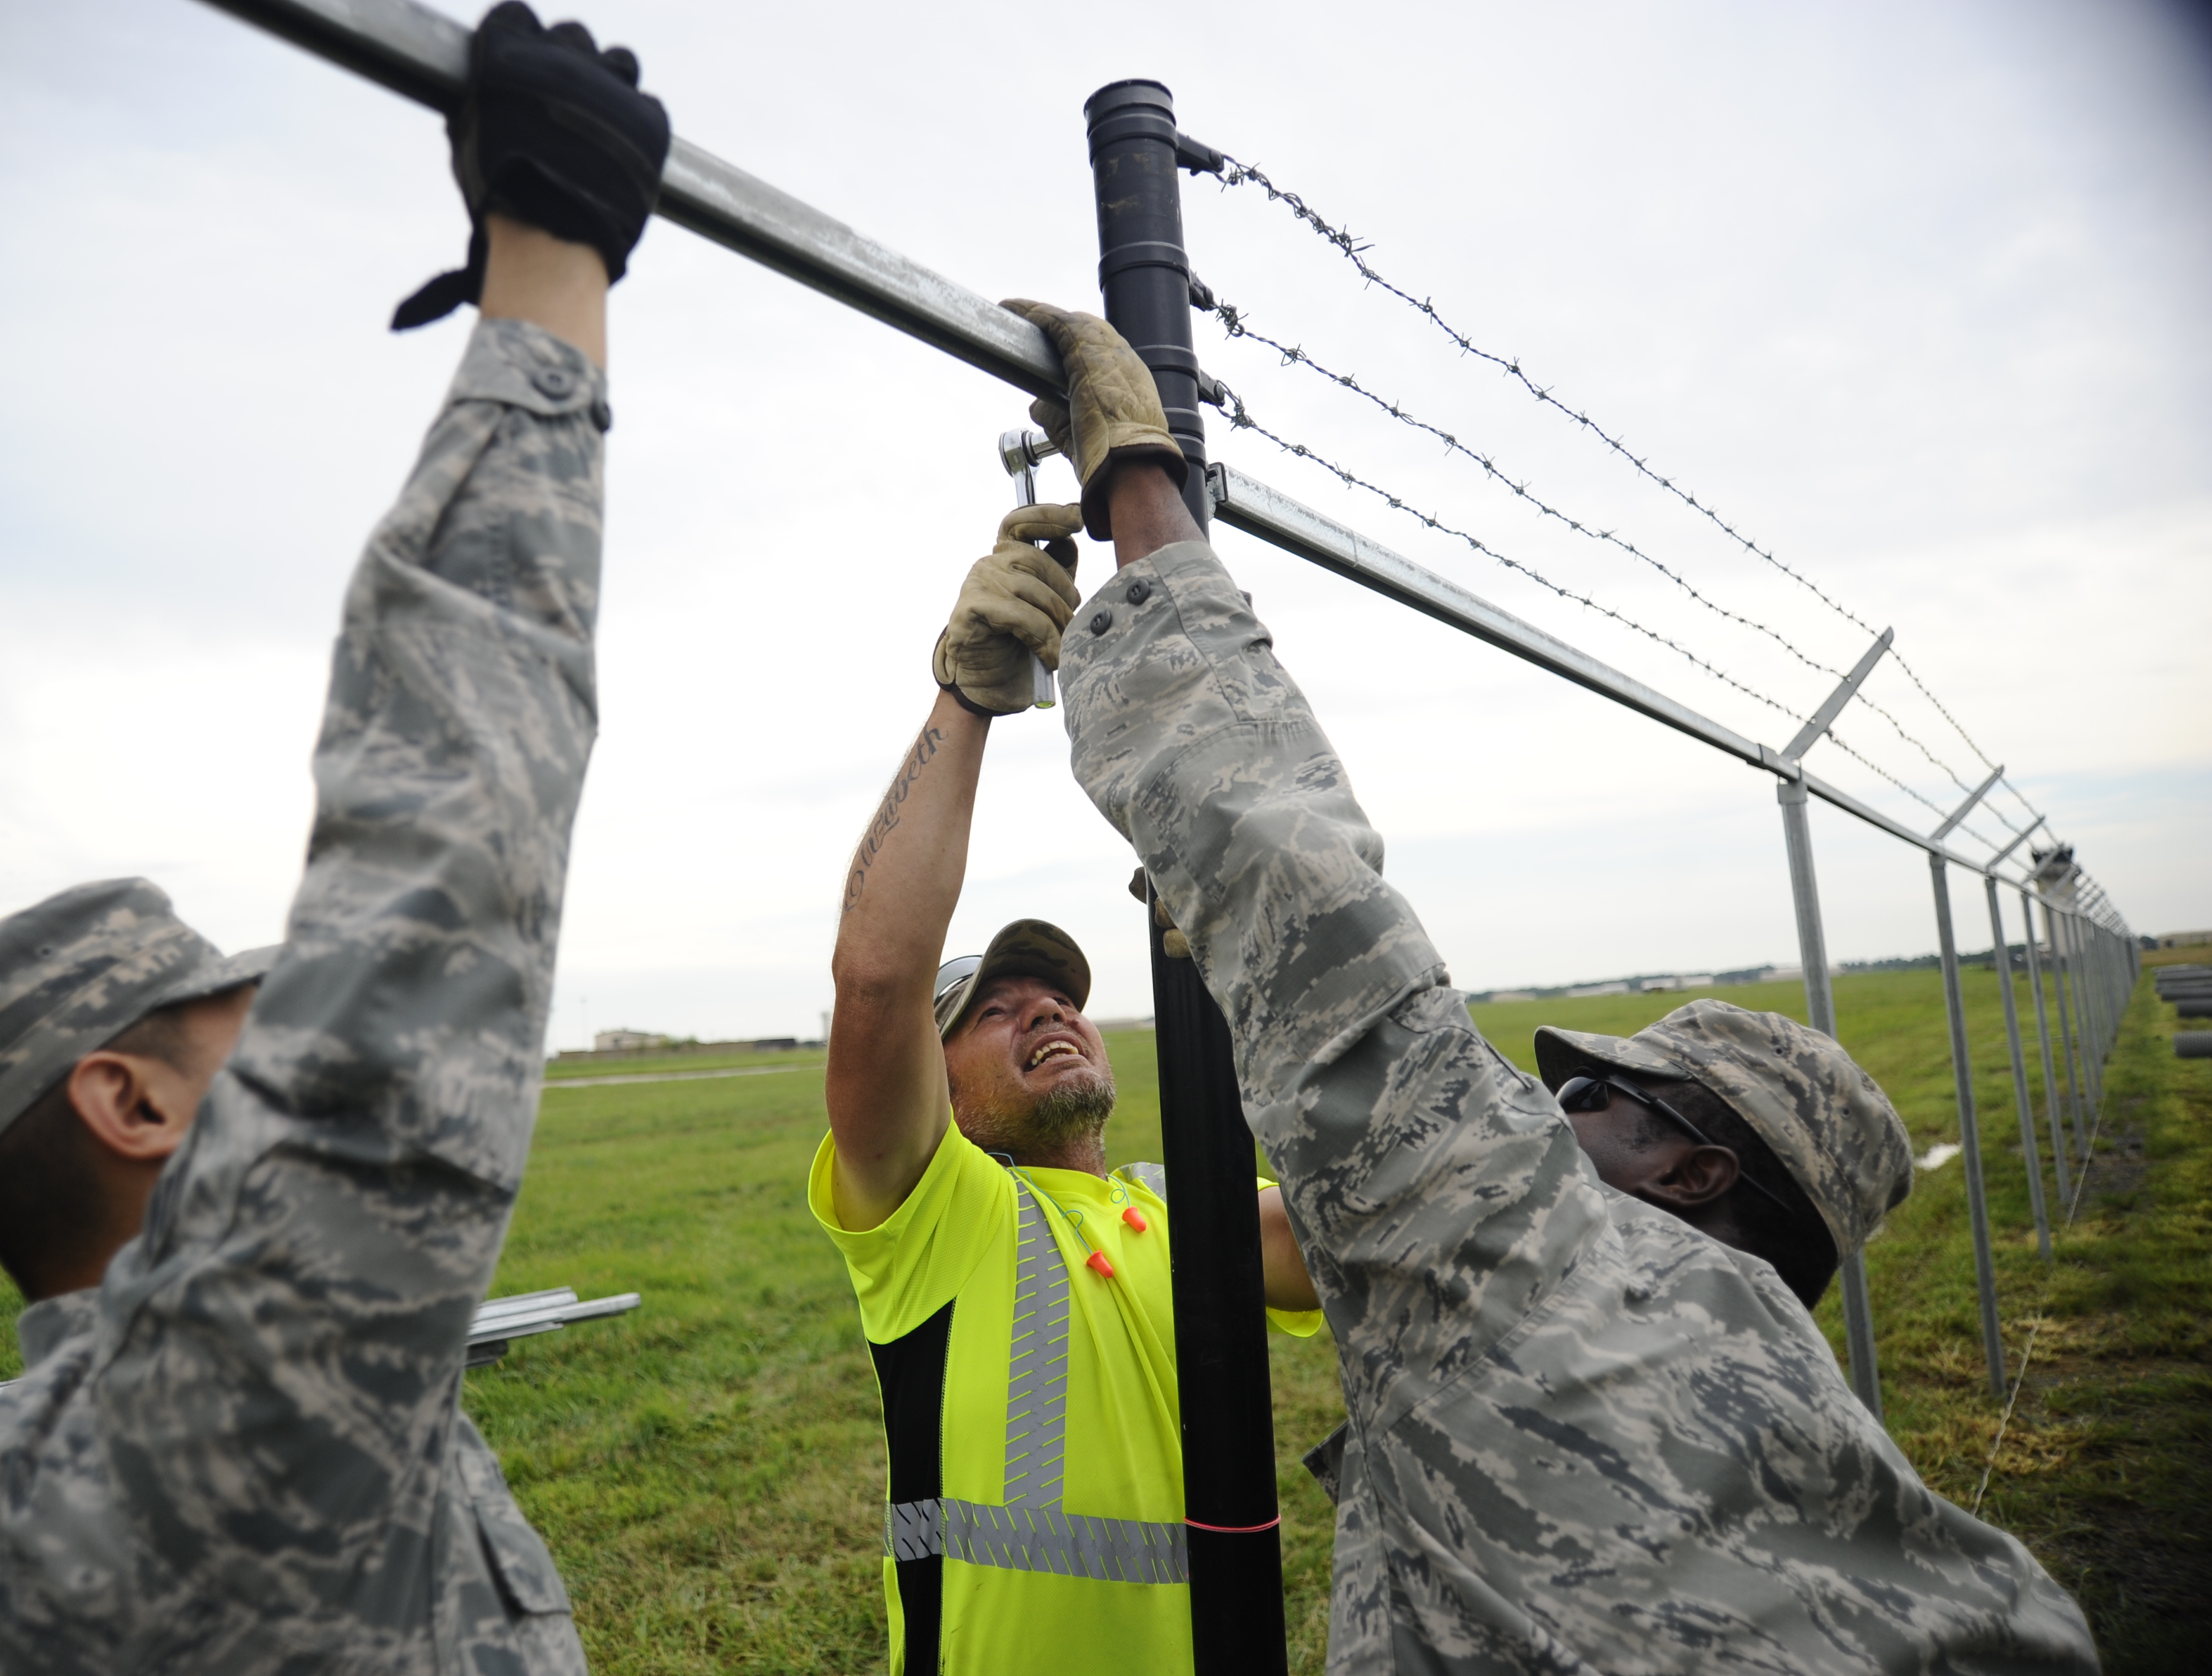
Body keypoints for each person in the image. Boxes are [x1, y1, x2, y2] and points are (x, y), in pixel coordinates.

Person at [1002, 295, 2100, 1672]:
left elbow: (1312, 911)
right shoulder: (1783, 1401)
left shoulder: (1559, 1284)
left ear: (1694, 1177)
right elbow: (1314, 1201)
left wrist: (1140, 488)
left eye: (1593, 1095)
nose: (1544, 1107)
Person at [0, 9, 666, 1670]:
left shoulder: (100, 1466)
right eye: (247, 1018)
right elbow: (433, 887)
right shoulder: (175, 1458)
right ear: (128, 1101)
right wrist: (550, 277)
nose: (298, 1026)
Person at [813, 495, 1324, 1671]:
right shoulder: (935, 1220)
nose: (1038, 1008)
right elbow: (879, 980)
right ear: (925, 1090)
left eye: (1051, 997)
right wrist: (967, 703)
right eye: (989, 1011)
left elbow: (1361, 1222)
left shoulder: (1175, 1209)